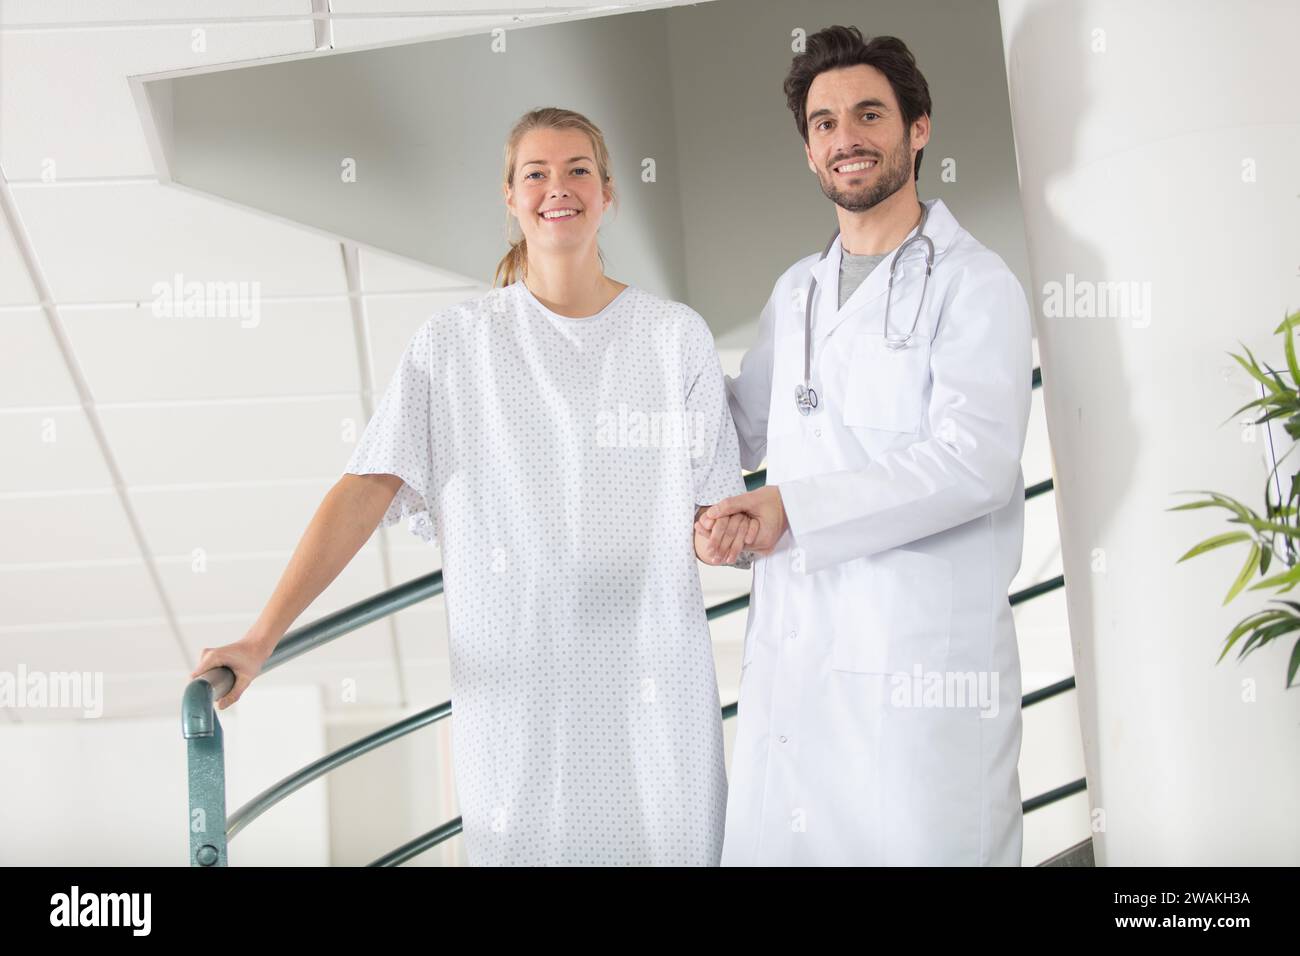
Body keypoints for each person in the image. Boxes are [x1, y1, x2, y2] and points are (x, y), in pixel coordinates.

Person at [189, 107, 756, 865]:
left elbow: (713, 516)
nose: (559, 188)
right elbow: (364, 490)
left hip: (657, 703)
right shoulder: (456, 346)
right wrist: (262, 637)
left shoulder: (672, 337)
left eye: (578, 170)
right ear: (511, 198)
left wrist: (725, 533)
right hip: (518, 718)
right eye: (537, 173)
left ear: (609, 193)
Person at [699, 28, 1033, 865]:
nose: (844, 137)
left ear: (918, 128)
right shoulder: (798, 291)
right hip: (798, 657)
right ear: (809, 152)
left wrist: (792, 510)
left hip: (915, 667)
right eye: (823, 123)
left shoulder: (975, 284)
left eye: (868, 114)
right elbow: (741, 427)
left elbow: (975, 461)